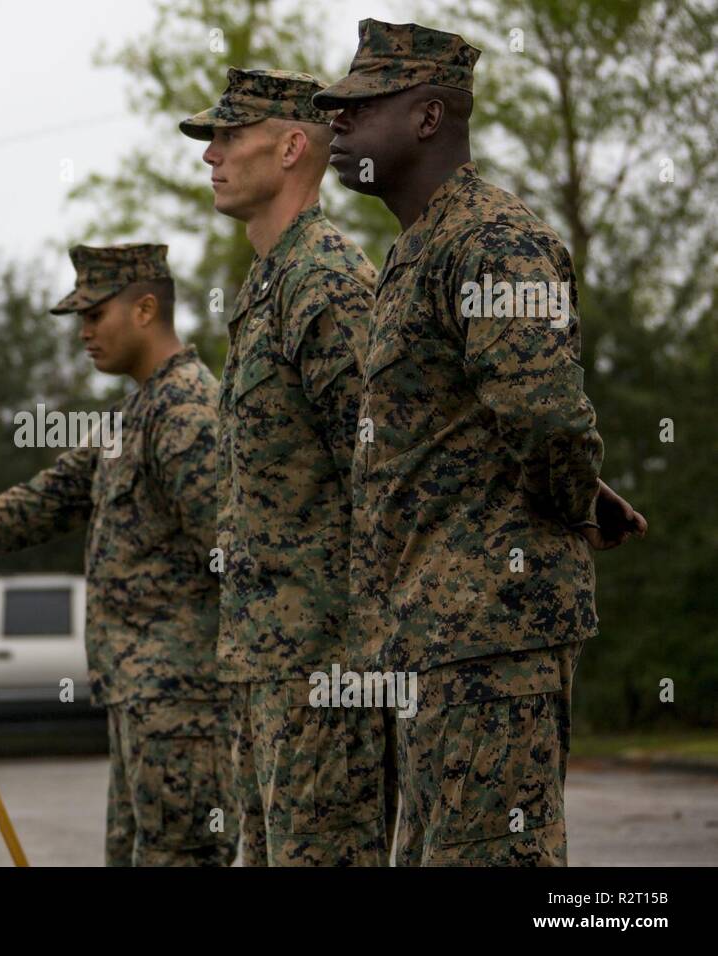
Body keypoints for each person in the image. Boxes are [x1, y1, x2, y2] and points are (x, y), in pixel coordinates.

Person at [316, 18, 647, 866]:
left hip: (491, 636)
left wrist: (574, 501)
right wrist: (586, 493)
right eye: (333, 110)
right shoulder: (418, 250)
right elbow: (478, 427)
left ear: (430, 118)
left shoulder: (492, 242)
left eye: (360, 107)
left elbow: (547, 419)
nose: (337, 125)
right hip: (435, 638)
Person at [0, 243, 238, 866]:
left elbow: (231, 556)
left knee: (185, 858)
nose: (84, 333)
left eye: (95, 315)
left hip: (185, 706)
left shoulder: (187, 413)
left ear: (146, 309)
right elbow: (43, 502)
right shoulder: (135, 412)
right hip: (144, 700)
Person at [180, 68, 393, 865]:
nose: (213, 156)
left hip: (325, 665)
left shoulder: (327, 282)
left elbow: (378, 476)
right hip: (269, 661)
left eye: (230, 137)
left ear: (293, 146)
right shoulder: (268, 282)